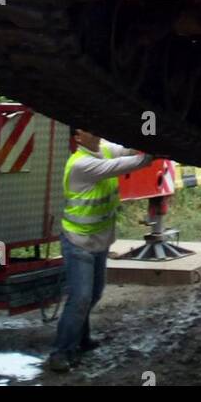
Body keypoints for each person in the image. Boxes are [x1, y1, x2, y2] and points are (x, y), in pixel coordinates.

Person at [49, 129, 152, 374]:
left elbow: (125, 149)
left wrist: (148, 137)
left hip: (99, 240)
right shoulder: (81, 165)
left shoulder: (103, 149)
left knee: (93, 294)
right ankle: (60, 352)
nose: (92, 128)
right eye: (84, 128)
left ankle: (81, 340)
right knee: (80, 297)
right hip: (79, 241)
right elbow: (121, 164)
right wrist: (151, 156)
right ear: (77, 138)